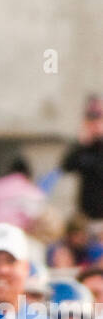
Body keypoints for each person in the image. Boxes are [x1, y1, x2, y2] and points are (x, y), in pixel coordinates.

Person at [61, 95, 103, 224]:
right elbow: (66, 166)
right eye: (90, 116)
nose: (94, 122)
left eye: (98, 116)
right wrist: (81, 144)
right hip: (86, 215)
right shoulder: (83, 146)